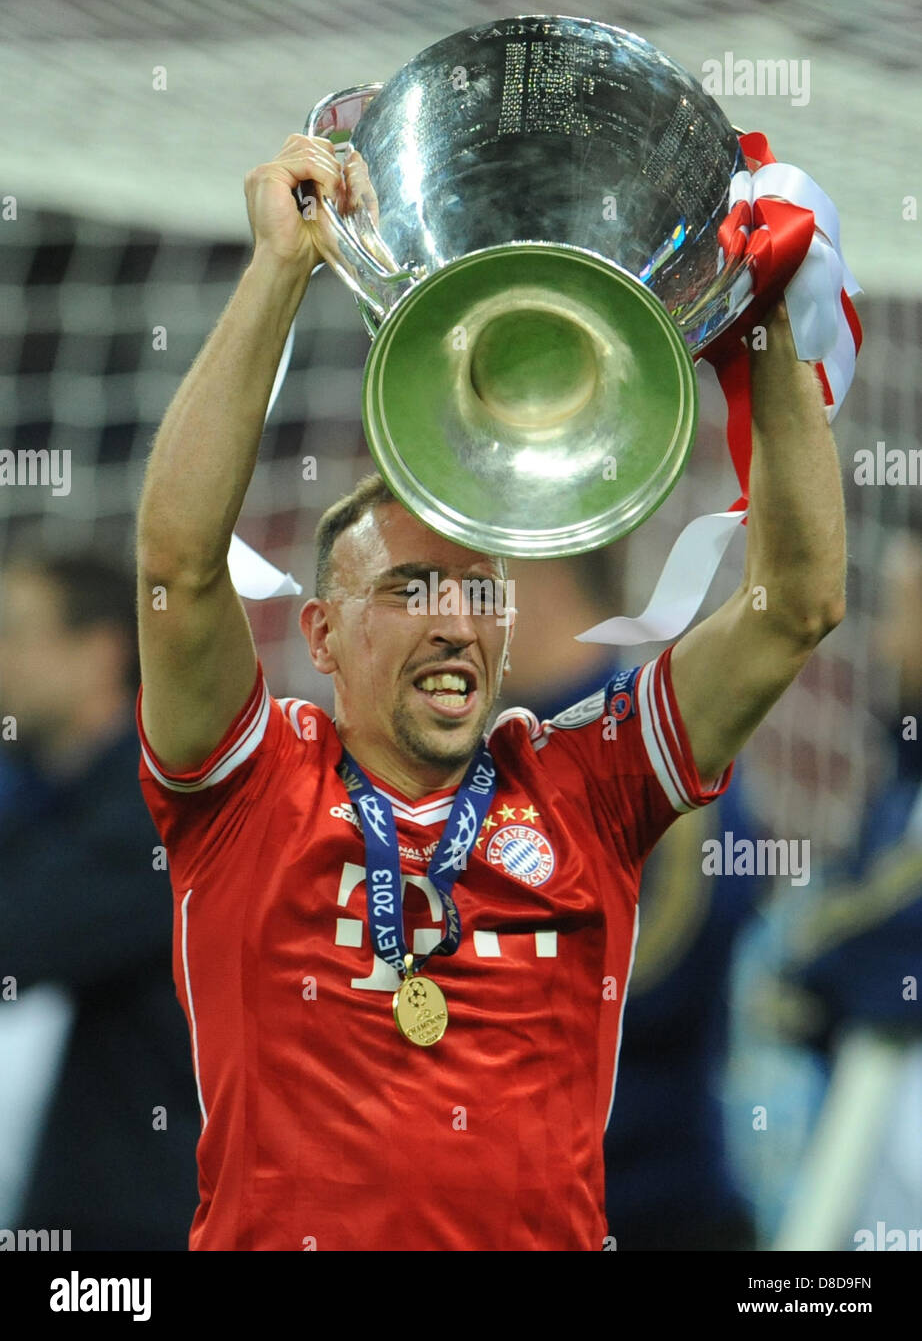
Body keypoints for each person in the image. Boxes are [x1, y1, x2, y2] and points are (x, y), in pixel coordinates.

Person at [134, 134, 847, 1251]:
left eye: (477, 587)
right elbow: (179, 565)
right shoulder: (246, 787)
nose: (456, 616)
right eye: (411, 587)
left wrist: (761, 328)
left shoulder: (588, 786)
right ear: (320, 634)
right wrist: (279, 269)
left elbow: (795, 603)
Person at [0, 552, 200, 1249]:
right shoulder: (58, 797)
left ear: (101, 652)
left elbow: (20, 938)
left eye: (14, 631)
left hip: (155, 1221)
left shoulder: (164, 806)